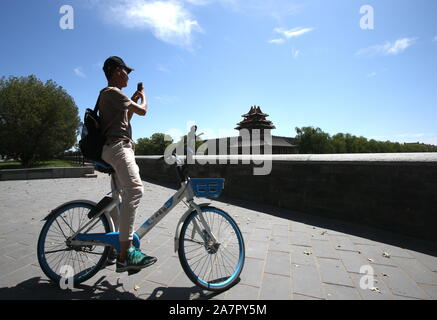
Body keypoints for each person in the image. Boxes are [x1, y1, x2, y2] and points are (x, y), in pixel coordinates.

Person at [99, 56, 157, 273]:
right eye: (126, 71)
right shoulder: (112, 93)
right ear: (115, 71)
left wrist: (130, 103)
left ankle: (114, 247)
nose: (128, 75)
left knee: (118, 199)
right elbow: (143, 111)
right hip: (118, 148)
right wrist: (144, 97)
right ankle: (126, 253)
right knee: (135, 190)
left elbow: (124, 121)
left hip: (111, 147)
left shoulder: (111, 96)